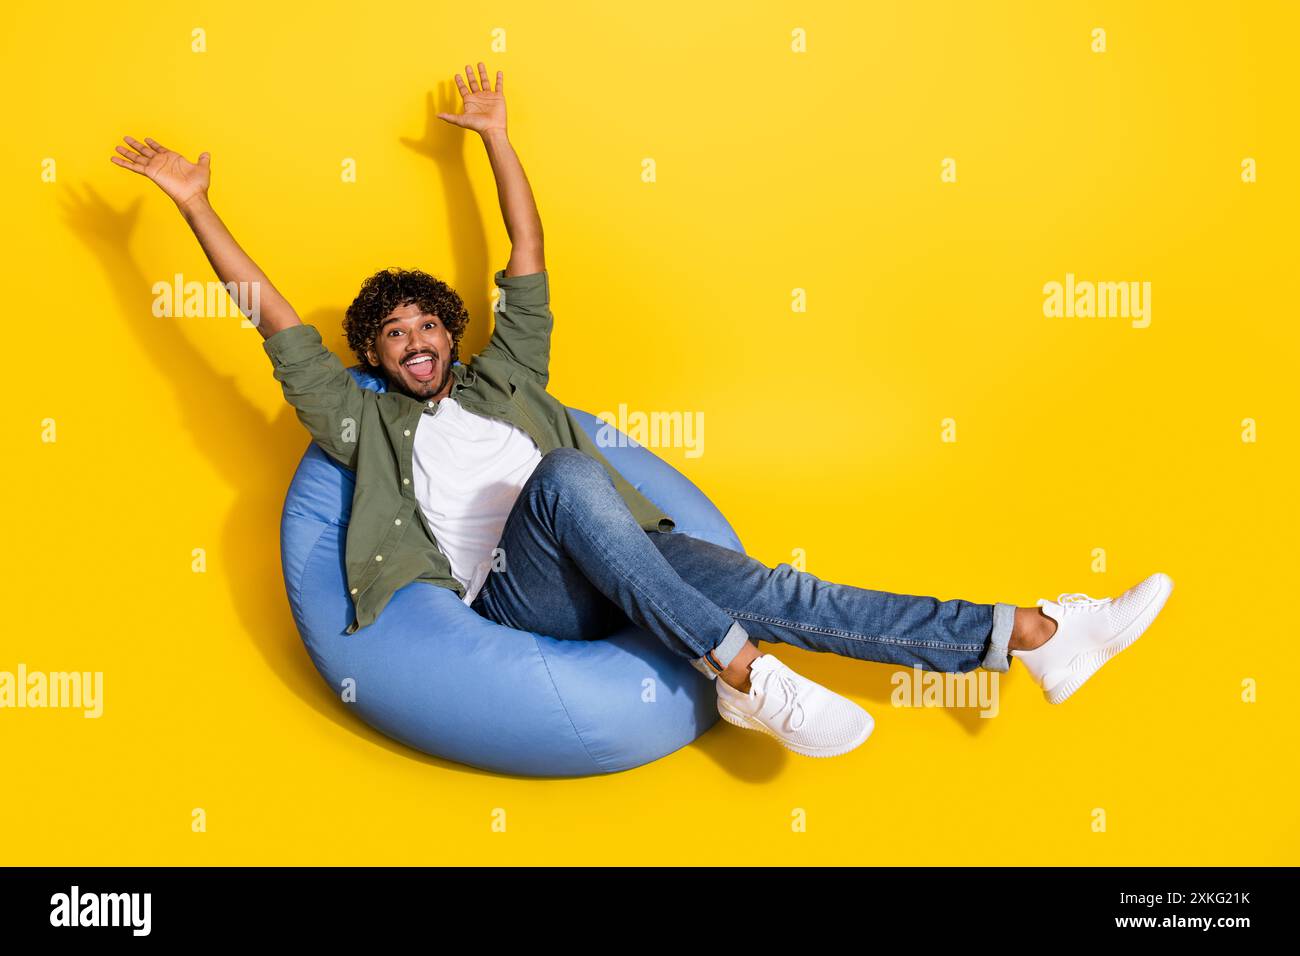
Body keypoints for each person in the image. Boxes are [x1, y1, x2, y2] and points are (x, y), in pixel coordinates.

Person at [109, 62, 1173, 760]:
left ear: (451, 329)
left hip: (627, 552)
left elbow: (528, 260)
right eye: (393, 337)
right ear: (378, 358)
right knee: (565, 480)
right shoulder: (363, 421)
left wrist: (496, 139)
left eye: (428, 325)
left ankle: (1032, 632)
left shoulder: (507, 375)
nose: (416, 342)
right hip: (520, 593)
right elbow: (274, 321)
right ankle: (747, 674)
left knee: (779, 582)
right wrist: (196, 205)